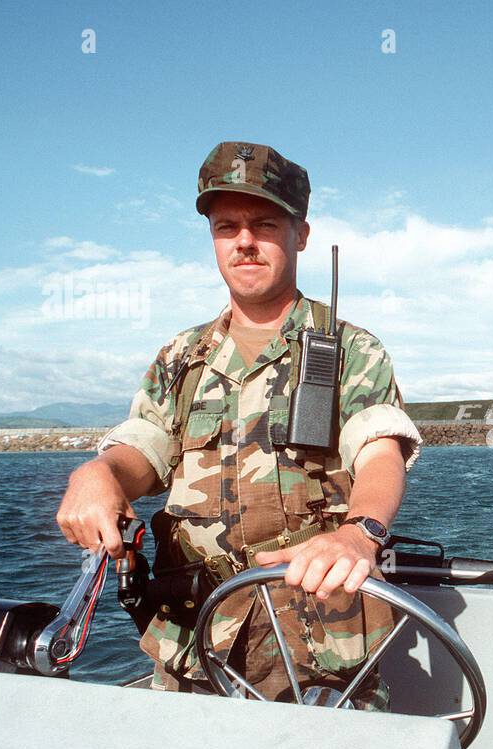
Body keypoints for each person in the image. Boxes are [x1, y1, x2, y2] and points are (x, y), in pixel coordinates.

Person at [55, 141, 421, 707]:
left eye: (265, 224)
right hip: (194, 643)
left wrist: (359, 532)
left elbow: (380, 451)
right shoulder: (181, 355)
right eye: (228, 227)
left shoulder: (351, 349)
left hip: (318, 647)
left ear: (300, 234)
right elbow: (144, 446)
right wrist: (100, 473)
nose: (245, 242)